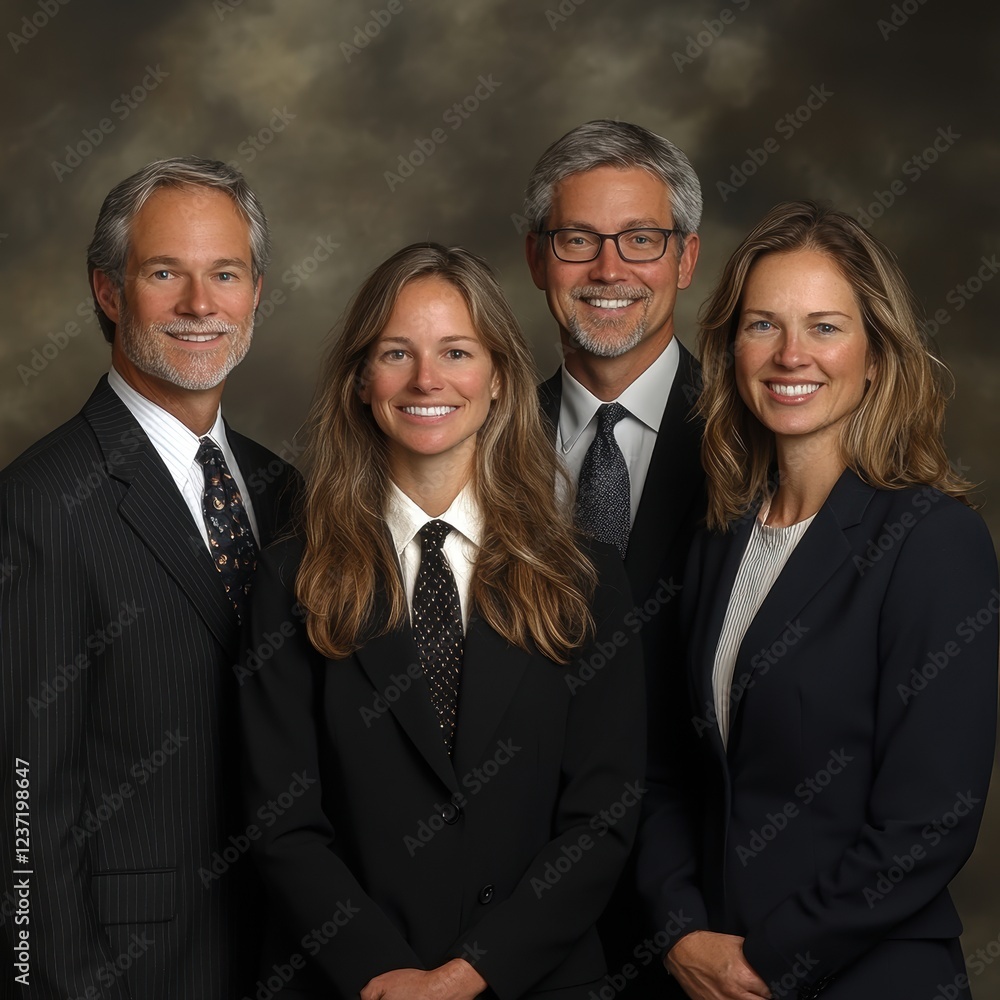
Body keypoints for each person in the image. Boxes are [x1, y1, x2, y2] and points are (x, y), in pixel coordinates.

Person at [238, 243, 646, 999]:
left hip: (536, 982)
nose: (427, 380)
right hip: (347, 984)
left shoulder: (586, 578)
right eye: (398, 353)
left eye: (456, 351)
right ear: (363, 380)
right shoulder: (293, 576)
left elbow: (603, 820)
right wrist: (385, 973)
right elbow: (282, 823)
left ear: (498, 378)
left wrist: (469, 976)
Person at [636, 201, 998, 999]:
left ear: (877, 356)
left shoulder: (933, 542)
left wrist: (764, 961)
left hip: (866, 980)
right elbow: (668, 769)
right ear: (733, 350)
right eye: (764, 326)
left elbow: (926, 823)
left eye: (825, 327)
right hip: (709, 977)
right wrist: (682, 934)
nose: (791, 355)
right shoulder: (716, 537)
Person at [0, 157, 299, 998]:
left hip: (294, 955)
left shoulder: (288, 493)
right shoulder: (39, 504)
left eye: (225, 274)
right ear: (107, 291)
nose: (201, 306)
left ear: (255, 291)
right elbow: (22, 809)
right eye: (165, 272)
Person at [525, 119, 706, 994]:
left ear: (686, 259)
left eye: (641, 240)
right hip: (515, 935)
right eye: (577, 241)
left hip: (709, 928)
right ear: (536, 260)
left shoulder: (765, 442)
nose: (609, 270)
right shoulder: (471, 446)